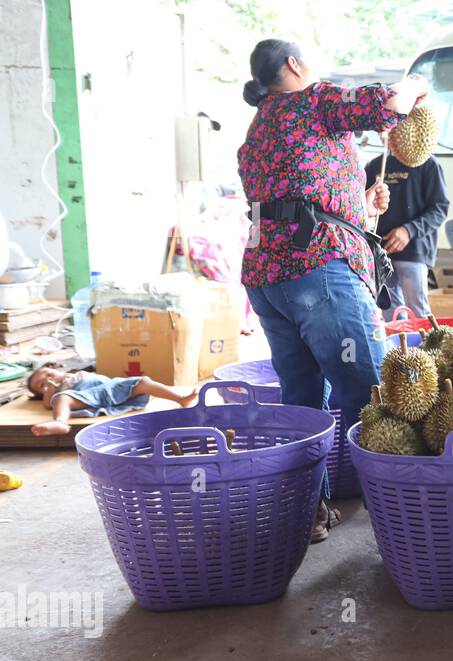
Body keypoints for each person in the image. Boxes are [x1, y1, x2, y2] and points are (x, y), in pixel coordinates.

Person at [237, 38, 429, 541]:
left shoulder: (258, 129)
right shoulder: (313, 99)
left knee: (301, 402)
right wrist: (415, 86)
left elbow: (295, 198)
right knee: (377, 393)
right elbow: (387, 104)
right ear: (294, 65)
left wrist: (362, 205)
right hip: (319, 269)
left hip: (269, 279)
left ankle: (309, 515)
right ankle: (410, 520)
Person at [364, 130, 449, 317]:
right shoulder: (374, 166)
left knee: (418, 311)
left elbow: (440, 208)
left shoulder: (428, 164)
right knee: (390, 313)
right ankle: (399, 346)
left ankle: (424, 346)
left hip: (414, 252)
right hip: (382, 253)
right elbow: (364, 209)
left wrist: (408, 231)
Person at [26, 366, 197, 437]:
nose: (48, 380)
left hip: (111, 388)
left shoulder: (73, 374)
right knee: (61, 398)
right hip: (88, 396)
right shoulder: (58, 390)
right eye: (41, 384)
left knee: (143, 381)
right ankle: (61, 422)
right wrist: (50, 387)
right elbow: (48, 404)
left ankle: (180, 399)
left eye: (49, 374)